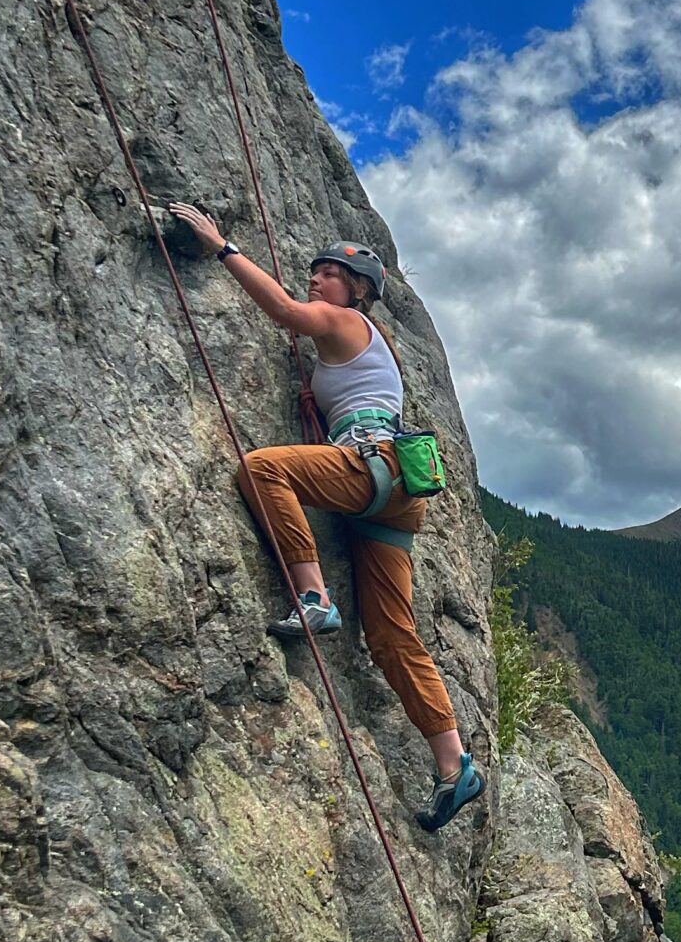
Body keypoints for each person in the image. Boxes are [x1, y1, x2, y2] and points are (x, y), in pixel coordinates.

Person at [169, 203, 485, 833]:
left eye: (330, 273)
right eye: (314, 271)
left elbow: (285, 312)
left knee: (263, 468)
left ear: (358, 290)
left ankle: (313, 596)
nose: (316, 279)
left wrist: (222, 246)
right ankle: (454, 765)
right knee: (393, 636)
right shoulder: (368, 346)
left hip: (369, 465)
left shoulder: (343, 321)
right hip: (397, 486)